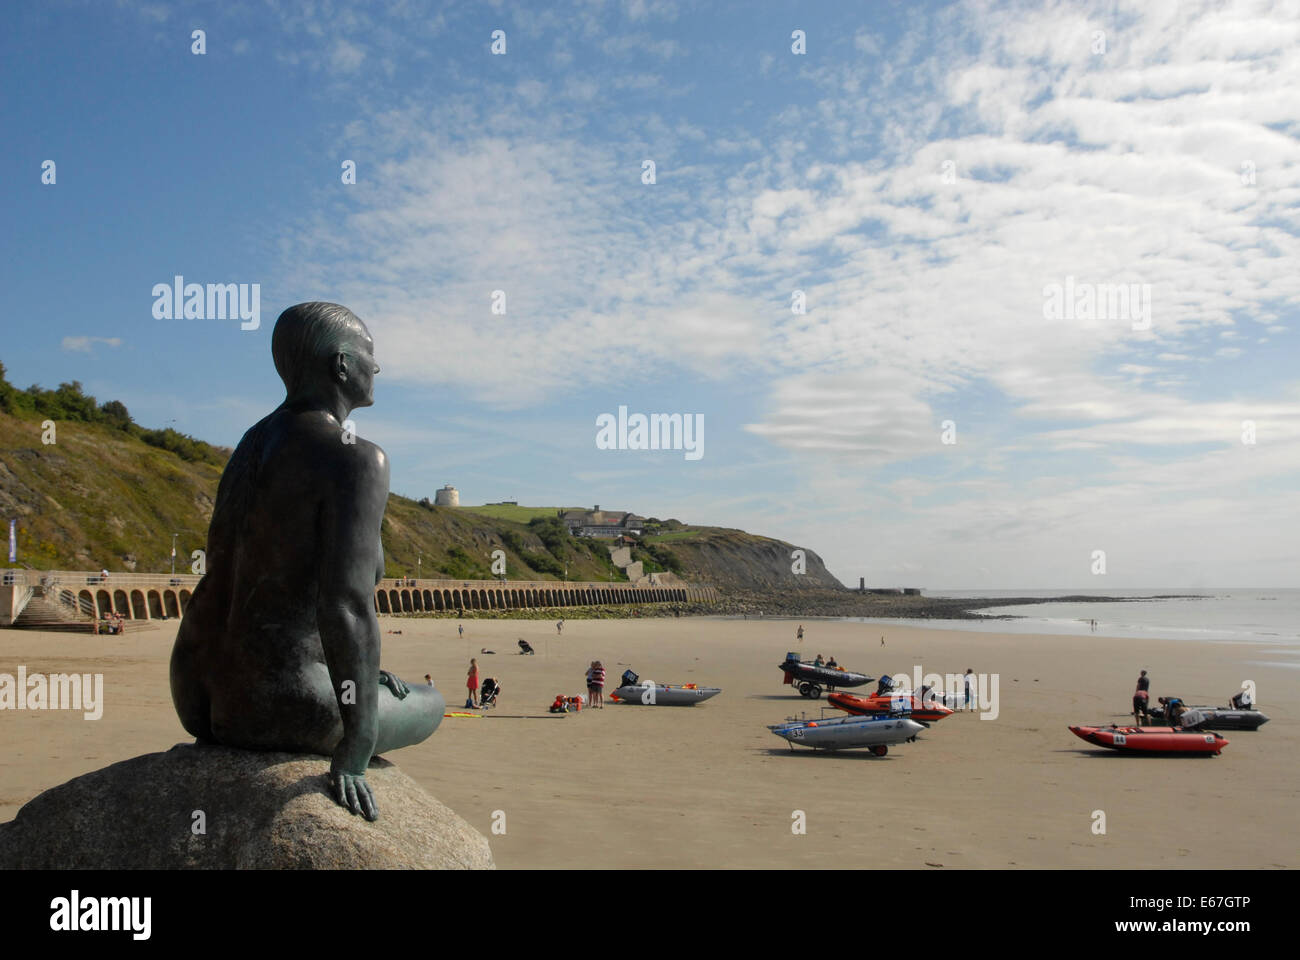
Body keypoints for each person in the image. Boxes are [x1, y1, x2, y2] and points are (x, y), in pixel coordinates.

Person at [168, 302, 443, 822]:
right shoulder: (357, 458)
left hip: (197, 695)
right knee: (431, 703)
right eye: (370, 353)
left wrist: (365, 672)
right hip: (282, 704)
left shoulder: (251, 443)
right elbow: (347, 605)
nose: (376, 367)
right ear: (341, 365)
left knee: (382, 683)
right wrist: (356, 748)